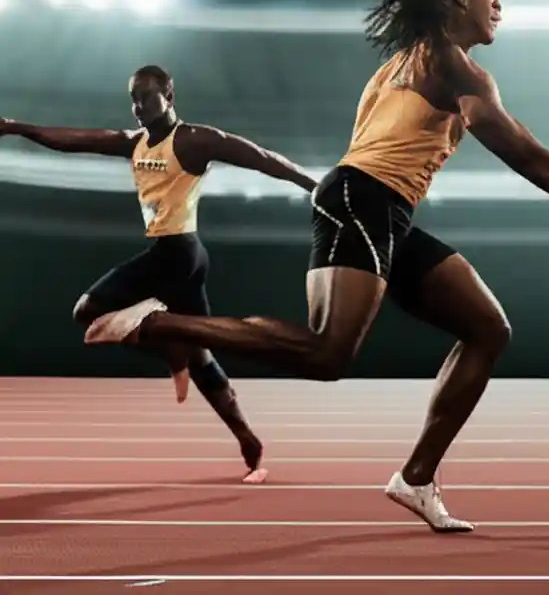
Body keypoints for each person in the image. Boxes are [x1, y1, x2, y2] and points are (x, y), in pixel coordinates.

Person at [84, 0, 549, 532]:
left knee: (487, 328)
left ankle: (416, 478)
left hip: (378, 207)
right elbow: (526, 154)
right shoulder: (453, 66)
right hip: (364, 199)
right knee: (326, 354)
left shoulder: (410, 60)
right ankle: (158, 323)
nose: (499, 2)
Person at [0, 64, 318, 482]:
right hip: (177, 257)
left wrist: (313, 186)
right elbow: (72, 140)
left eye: (146, 97)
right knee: (200, 354)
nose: (138, 107)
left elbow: (260, 158)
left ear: (169, 95)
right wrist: (16, 127)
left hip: (179, 254)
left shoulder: (193, 140)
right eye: (133, 100)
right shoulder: (133, 142)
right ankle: (247, 439)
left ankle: (173, 347)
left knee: (88, 310)